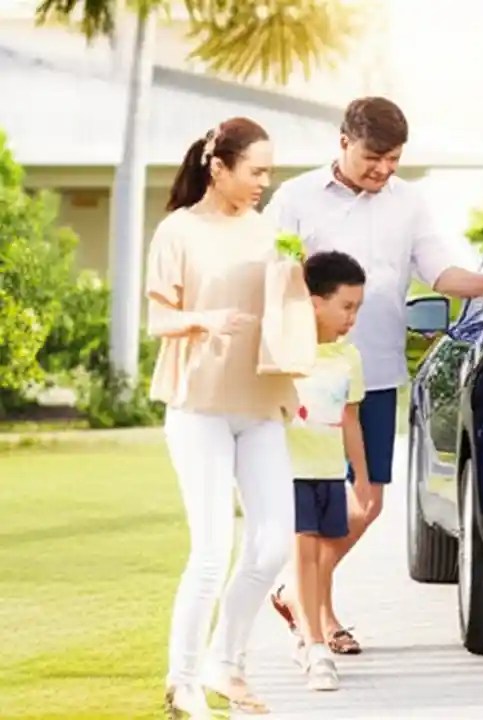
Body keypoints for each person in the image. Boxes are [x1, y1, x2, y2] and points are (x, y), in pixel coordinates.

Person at [263, 96, 483, 655]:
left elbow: (439, 272)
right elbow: (270, 278)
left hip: (376, 373)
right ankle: (322, 618)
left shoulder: (408, 202)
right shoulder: (295, 198)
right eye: (373, 157)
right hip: (309, 375)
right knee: (317, 505)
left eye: (393, 159)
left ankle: (295, 594)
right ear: (344, 142)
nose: (383, 169)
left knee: (366, 503)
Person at [148, 118, 295, 718]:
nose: (264, 181)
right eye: (256, 170)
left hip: (261, 406)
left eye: (268, 171)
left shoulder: (272, 233)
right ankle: (182, 680)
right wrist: (205, 321)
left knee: (272, 545)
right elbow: (158, 320)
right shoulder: (178, 231)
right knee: (211, 551)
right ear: (219, 167)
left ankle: (224, 663)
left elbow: (286, 309)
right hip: (198, 408)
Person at [284, 250, 368, 692]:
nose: (352, 317)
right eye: (346, 306)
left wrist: (363, 477)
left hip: (330, 471)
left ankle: (305, 631)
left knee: (320, 556)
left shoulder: (348, 357)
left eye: (357, 308)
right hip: (289, 470)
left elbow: (351, 420)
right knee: (305, 550)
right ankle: (315, 647)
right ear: (315, 303)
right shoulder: (283, 350)